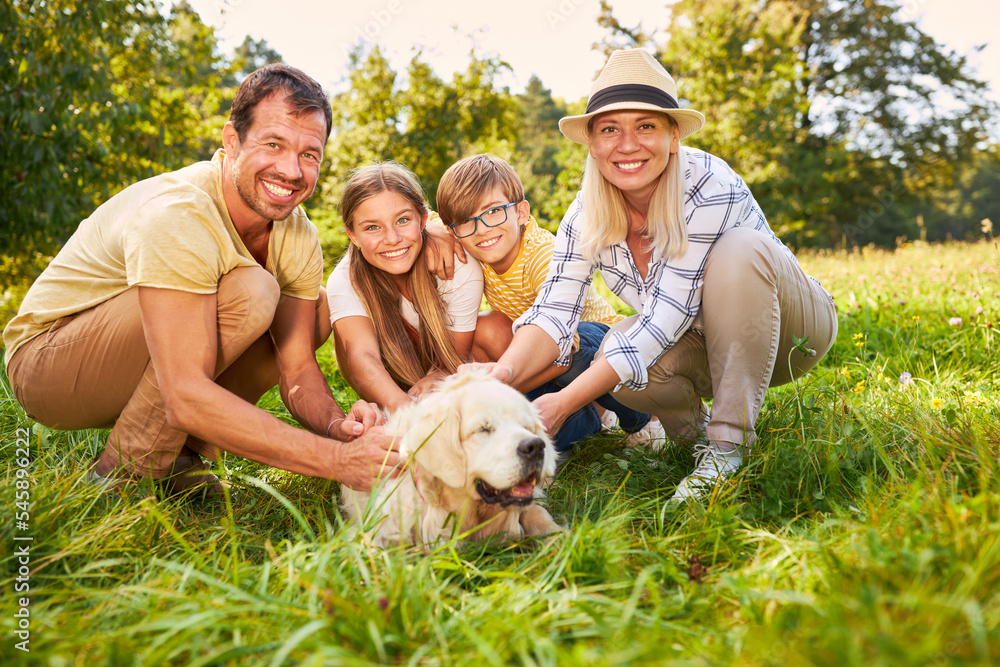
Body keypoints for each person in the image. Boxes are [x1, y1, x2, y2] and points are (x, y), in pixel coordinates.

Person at [3, 64, 398, 499]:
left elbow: (299, 369)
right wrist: (335, 463)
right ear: (232, 141)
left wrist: (338, 428)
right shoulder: (179, 213)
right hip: (48, 366)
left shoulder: (297, 233)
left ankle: (181, 456)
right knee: (251, 292)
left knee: (315, 309)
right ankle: (123, 477)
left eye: (309, 154)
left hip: (137, 362)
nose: (292, 170)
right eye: (273, 144)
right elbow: (185, 392)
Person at [477, 49, 838, 500]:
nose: (627, 145)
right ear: (592, 142)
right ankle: (696, 442)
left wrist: (564, 402)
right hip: (704, 346)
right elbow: (553, 311)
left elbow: (665, 316)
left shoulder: (709, 184)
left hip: (792, 333)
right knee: (615, 353)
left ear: (672, 136)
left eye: (645, 125)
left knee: (739, 250)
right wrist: (498, 378)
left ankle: (729, 447)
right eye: (610, 129)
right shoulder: (584, 215)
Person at [435, 153, 665, 453]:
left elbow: (564, 350)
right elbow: (423, 218)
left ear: (520, 212)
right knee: (486, 334)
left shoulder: (540, 256)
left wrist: (498, 390)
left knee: (574, 359)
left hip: (593, 344)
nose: (481, 229)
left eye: (493, 212)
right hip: (541, 356)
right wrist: (435, 231)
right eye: (466, 221)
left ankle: (645, 421)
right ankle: (592, 416)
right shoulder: (475, 250)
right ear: (454, 231)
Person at [327, 162, 484, 412]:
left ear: (422, 220)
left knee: (493, 329)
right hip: (391, 378)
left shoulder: (456, 264)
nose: (392, 239)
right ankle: (388, 401)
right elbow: (362, 358)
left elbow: (455, 356)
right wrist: (405, 412)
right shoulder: (344, 279)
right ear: (352, 235)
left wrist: (441, 375)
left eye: (402, 220)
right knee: (347, 334)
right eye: (372, 227)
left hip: (450, 363)